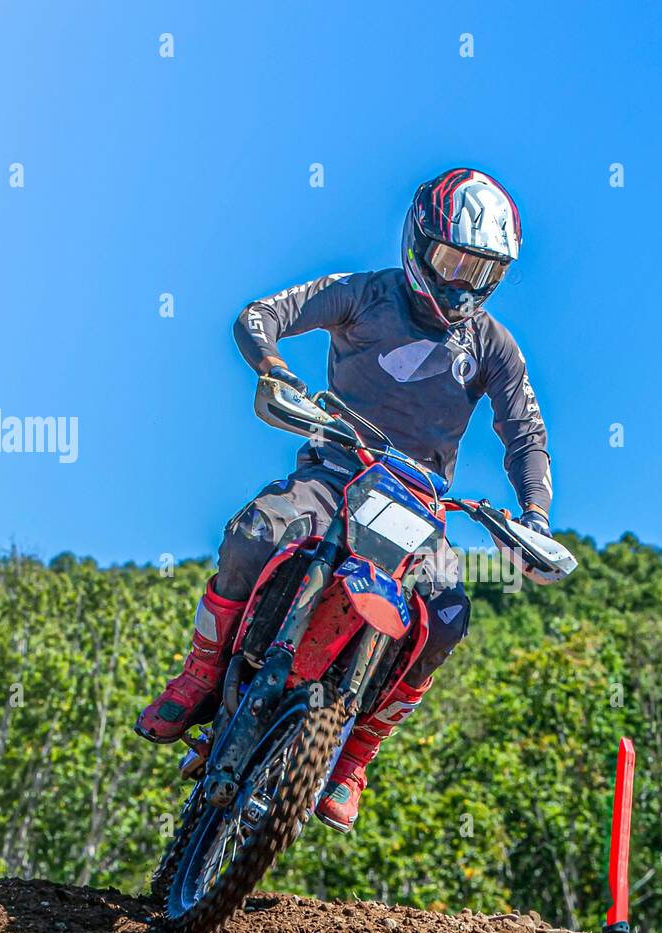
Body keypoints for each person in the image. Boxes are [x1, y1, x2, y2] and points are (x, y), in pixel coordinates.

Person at [136, 168, 553, 832]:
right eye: (451, 261)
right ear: (418, 242)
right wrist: (274, 371)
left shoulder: (494, 348)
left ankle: (354, 757)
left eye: (481, 271)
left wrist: (534, 519)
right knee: (253, 532)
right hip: (334, 469)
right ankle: (198, 674)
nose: (461, 283)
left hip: (418, 505)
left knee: (446, 614)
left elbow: (525, 431)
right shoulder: (362, 294)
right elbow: (259, 317)